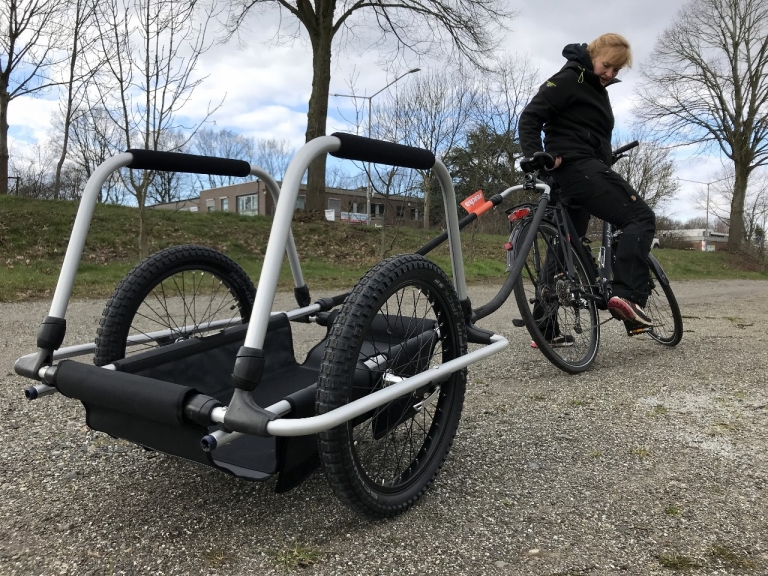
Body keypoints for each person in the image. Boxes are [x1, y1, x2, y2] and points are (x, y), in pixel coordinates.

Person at [518, 33, 656, 335]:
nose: (610, 74)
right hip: (578, 169)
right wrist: (535, 155)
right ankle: (628, 297)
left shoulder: (592, 85)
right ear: (592, 55)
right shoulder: (570, 78)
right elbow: (530, 116)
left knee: (568, 245)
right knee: (640, 218)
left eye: (616, 71)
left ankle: (546, 326)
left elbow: (582, 127)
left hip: (572, 173)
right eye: (606, 66)